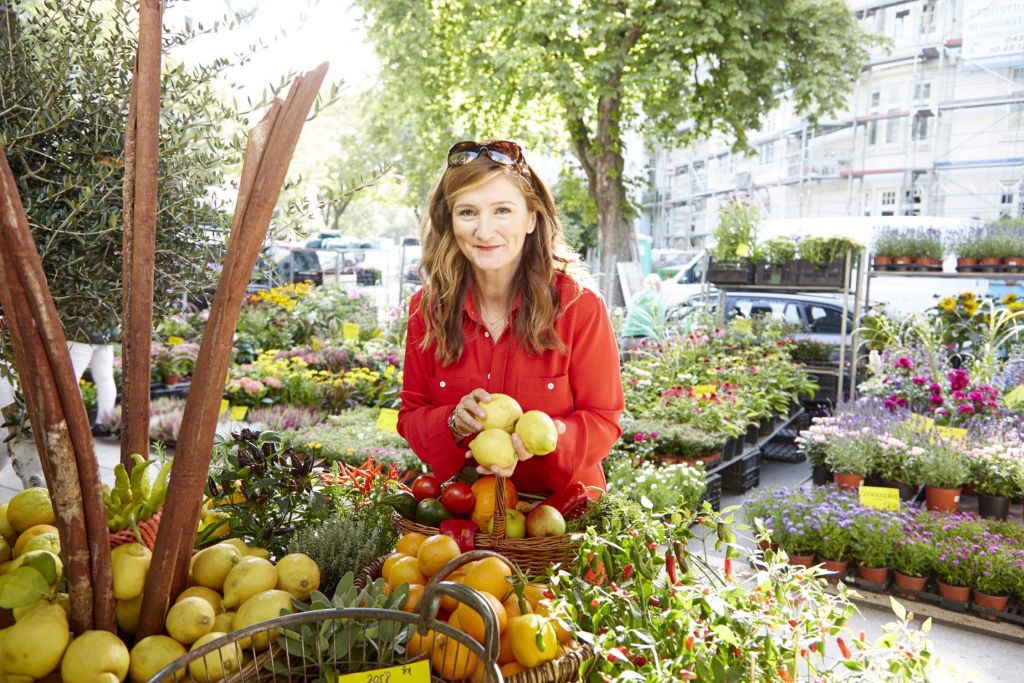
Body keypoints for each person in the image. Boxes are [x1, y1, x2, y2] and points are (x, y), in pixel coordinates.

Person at [398, 140, 624, 498]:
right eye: (467, 212)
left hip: (565, 512)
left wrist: (551, 437)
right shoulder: (427, 309)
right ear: (449, 221)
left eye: (502, 210)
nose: (484, 231)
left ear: (531, 217)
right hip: (468, 510)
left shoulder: (579, 306)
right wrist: (452, 422)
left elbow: (604, 419)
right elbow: (411, 415)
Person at [620, 273, 666, 357]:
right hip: (647, 342)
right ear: (659, 286)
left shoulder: (635, 297)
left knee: (628, 366)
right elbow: (659, 328)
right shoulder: (658, 300)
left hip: (627, 341)